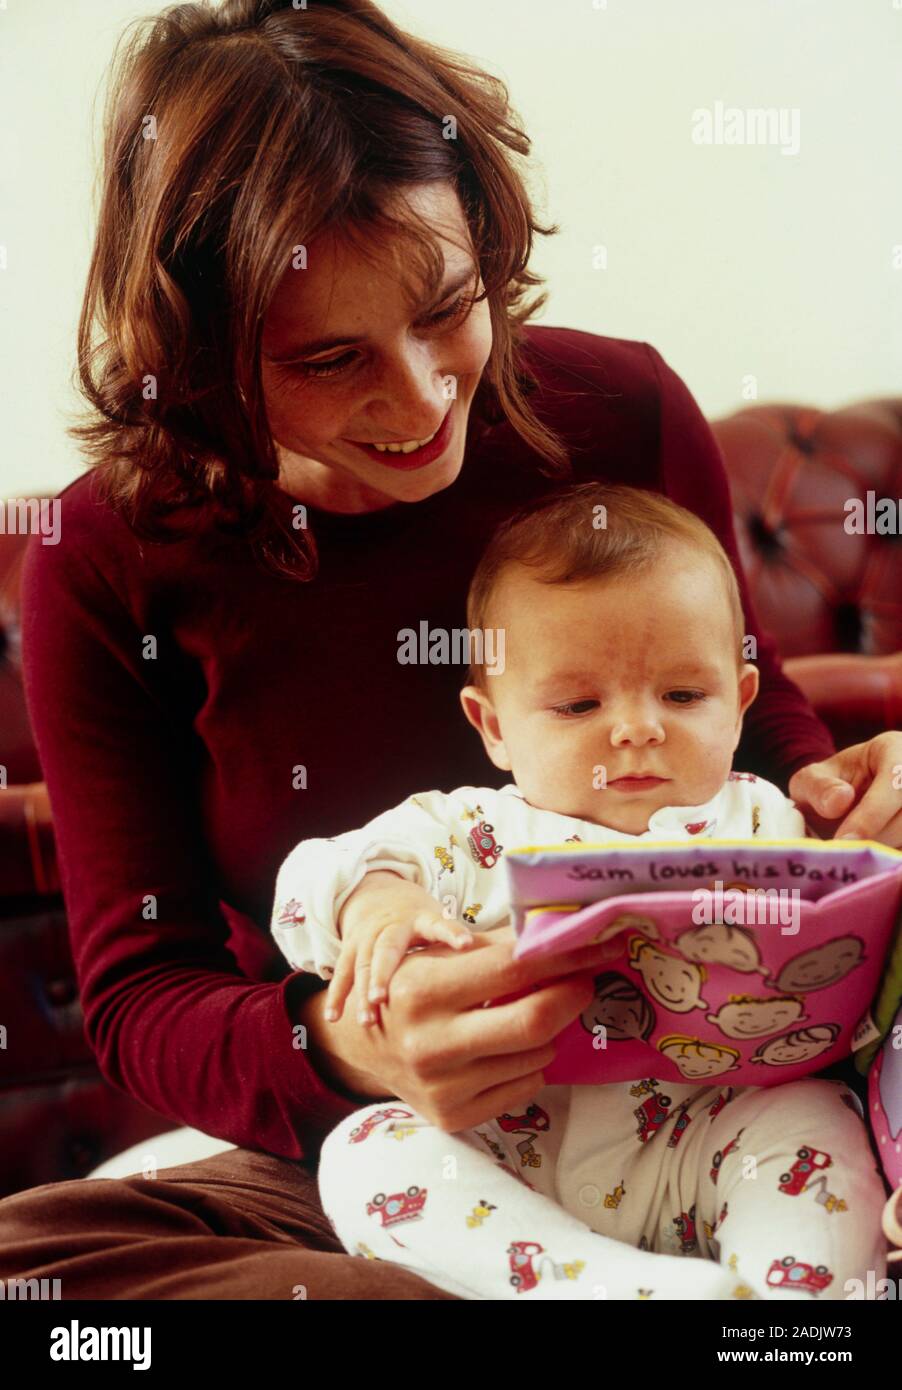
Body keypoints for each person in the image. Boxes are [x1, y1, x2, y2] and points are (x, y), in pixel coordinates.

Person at [0, 0, 898, 1300]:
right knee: (35, 1265)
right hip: (385, 1141)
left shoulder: (623, 417)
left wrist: (842, 798)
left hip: (717, 1105)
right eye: (326, 357)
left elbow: (756, 740)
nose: (423, 396)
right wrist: (350, 1042)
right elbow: (144, 996)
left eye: (447, 305)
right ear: (199, 362)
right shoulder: (108, 555)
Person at [269, 484, 889, 1300]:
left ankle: (789, 1307)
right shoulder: (470, 831)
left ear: (740, 705)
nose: (636, 729)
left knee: (819, 1132)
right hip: (508, 1156)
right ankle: (619, 1291)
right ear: (493, 726)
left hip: (709, 1131)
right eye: (578, 704)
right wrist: (378, 904)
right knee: (367, 1151)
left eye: (682, 695)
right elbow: (308, 884)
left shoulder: (769, 819)